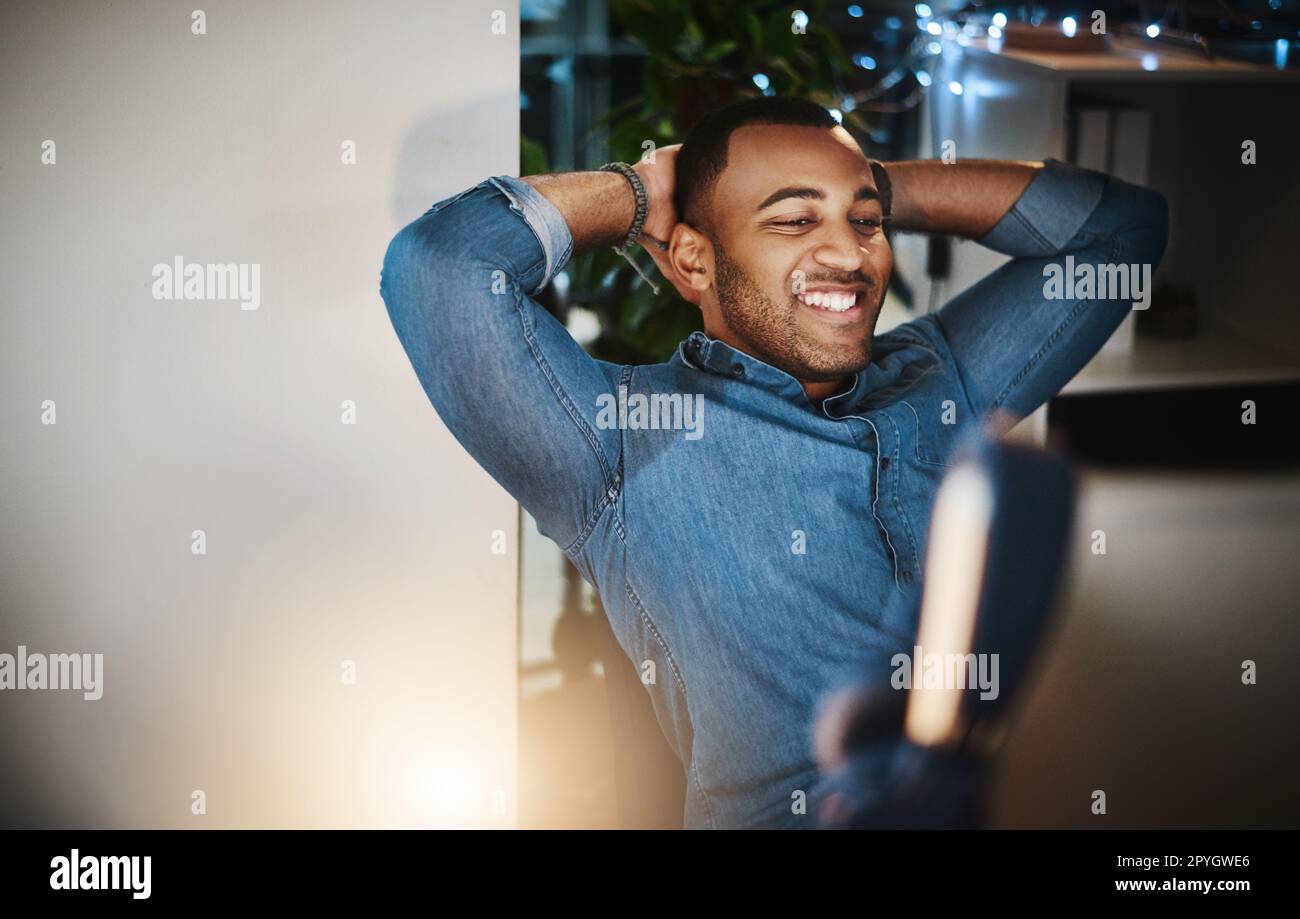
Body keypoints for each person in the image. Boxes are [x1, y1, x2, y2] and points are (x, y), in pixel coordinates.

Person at [379, 96, 1167, 829]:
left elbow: (1124, 232)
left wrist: (871, 184)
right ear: (692, 264)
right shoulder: (619, 439)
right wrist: (648, 191)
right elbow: (438, 269)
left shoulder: (938, 372)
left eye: (866, 223)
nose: (850, 255)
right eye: (793, 219)